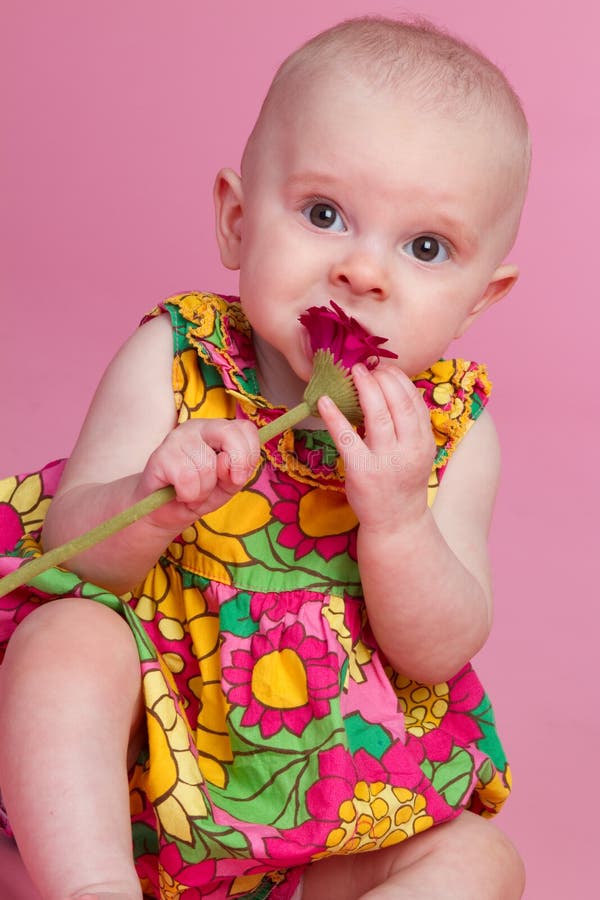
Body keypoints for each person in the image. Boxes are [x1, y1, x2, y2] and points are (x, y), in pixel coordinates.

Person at [0, 15, 530, 900]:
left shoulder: (453, 431)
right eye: (325, 215)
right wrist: (150, 498)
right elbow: (78, 545)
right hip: (134, 775)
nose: (364, 273)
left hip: (324, 812)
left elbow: (441, 648)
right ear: (238, 222)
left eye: (425, 247)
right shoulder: (178, 355)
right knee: (64, 639)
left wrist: (397, 519)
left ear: (480, 302)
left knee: (482, 865)